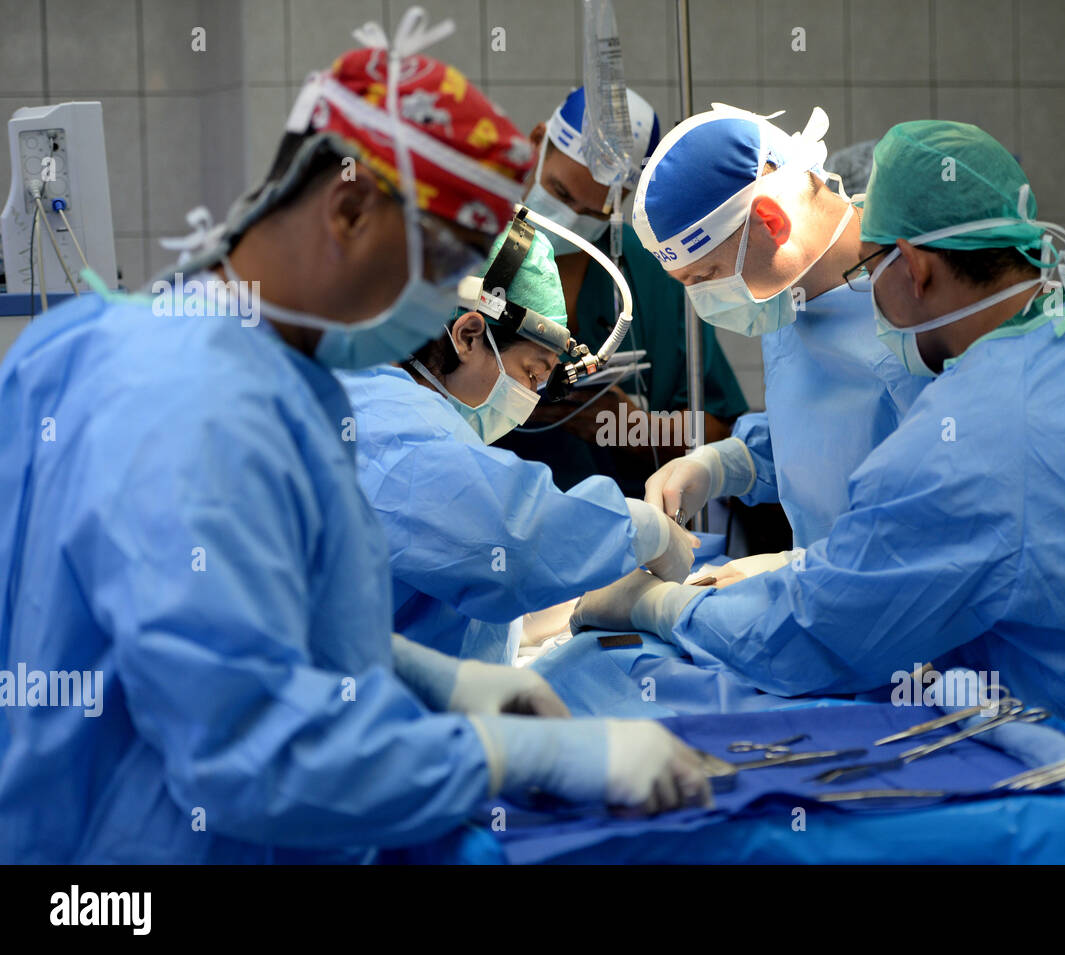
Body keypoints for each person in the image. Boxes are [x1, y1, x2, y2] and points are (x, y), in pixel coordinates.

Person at [0, 9, 708, 864]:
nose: (450, 305)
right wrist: (525, 754)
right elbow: (254, 754)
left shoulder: (256, 372)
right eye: (442, 267)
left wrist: (426, 673)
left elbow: (259, 613)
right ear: (348, 206)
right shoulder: (195, 404)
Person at [573, 119, 1065, 865]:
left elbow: (813, 629)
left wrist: (663, 606)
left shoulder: (969, 437)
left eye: (875, 261)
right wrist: (730, 462)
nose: (867, 283)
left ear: (913, 270)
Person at [335, 221, 699, 665]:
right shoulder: (399, 433)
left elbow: (452, 595)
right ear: (468, 335)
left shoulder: (366, 390)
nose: (529, 397)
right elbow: (516, 537)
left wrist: (578, 607)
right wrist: (645, 528)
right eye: (531, 373)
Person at [631, 104, 928, 550]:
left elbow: (945, 512)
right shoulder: (789, 296)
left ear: (771, 221)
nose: (700, 299)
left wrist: (805, 573)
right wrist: (723, 464)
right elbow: (817, 445)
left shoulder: (923, 305)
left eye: (706, 276)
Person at [494, 86, 750, 496]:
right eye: (560, 193)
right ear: (538, 143)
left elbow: (719, 430)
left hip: (624, 526)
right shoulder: (465, 248)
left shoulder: (651, 274)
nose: (571, 220)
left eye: (597, 213)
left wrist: (632, 428)